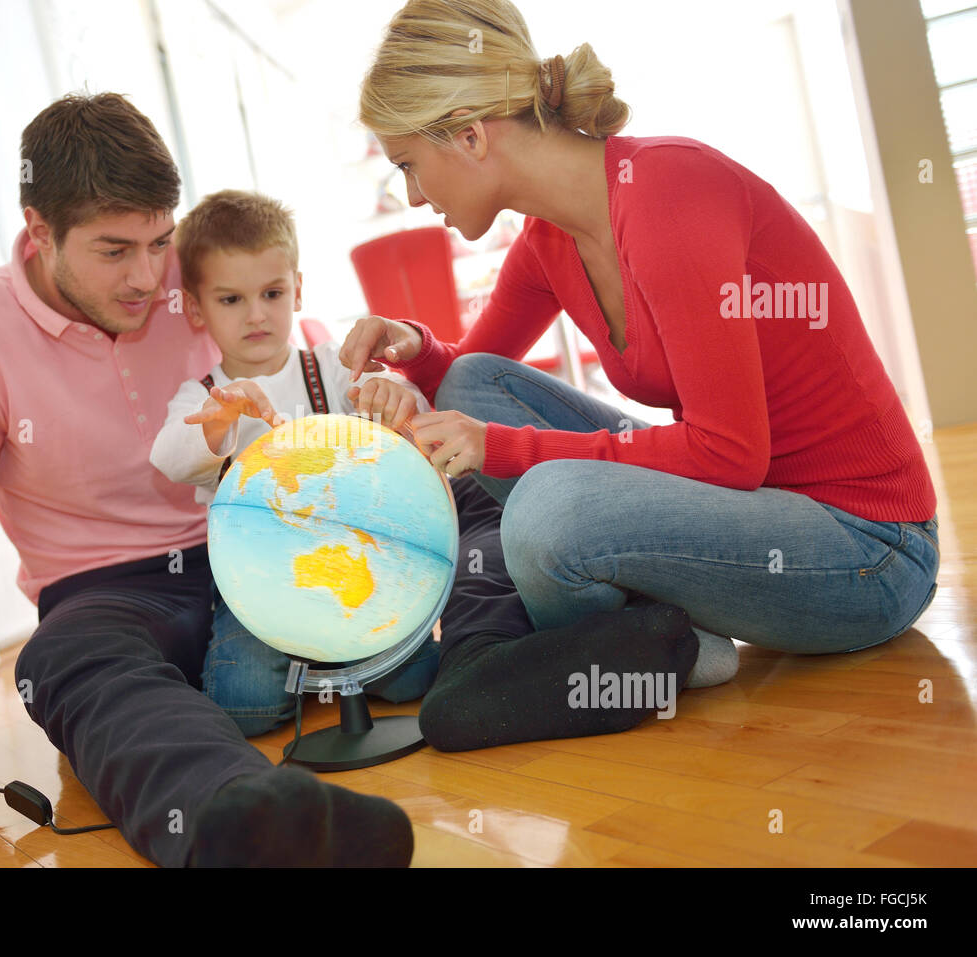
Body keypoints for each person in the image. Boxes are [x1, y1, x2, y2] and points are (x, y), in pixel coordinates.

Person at [0, 93, 415, 868]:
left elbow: (294, 351)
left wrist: (397, 360)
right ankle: (240, 821)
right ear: (40, 231)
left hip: (261, 539)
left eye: (158, 241)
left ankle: (497, 659)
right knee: (64, 660)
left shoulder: (192, 274)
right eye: (114, 251)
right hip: (111, 595)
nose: (146, 276)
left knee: (449, 461)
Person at [340, 0, 940, 750]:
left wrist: (505, 450)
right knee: (473, 389)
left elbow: (728, 454)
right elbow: (467, 378)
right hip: (752, 508)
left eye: (407, 165)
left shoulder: (668, 197)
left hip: (867, 547)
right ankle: (662, 644)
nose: (414, 195)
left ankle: (654, 649)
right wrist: (414, 347)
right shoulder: (548, 240)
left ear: (468, 135)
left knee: (546, 513)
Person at [149, 189, 543, 736]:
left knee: (411, 681)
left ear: (298, 290)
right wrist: (220, 421)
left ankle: (334, 657)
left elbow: (412, 421)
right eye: (231, 300)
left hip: (357, 572)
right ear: (195, 307)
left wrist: (394, 402)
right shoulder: (203, 397)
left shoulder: (332, 371)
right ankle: (309, 658)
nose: (257, 314)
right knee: (247, 708)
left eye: (272, 292)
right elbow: (167, 456)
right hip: (260, 585)